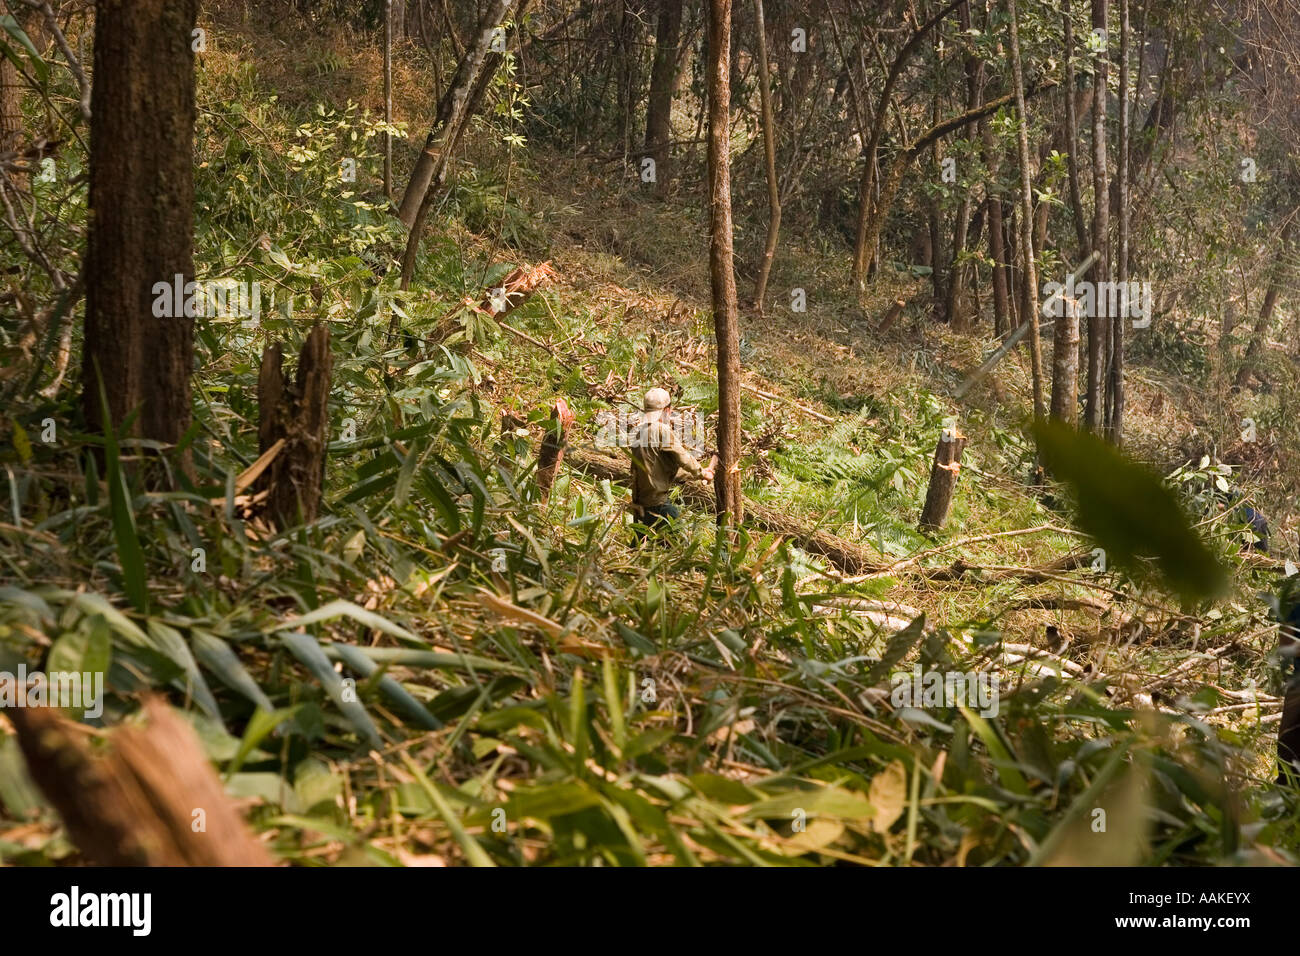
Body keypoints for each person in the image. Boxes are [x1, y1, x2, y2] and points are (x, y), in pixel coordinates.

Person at [627, 387, 714, 535]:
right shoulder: (661, 430)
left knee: (642, 547)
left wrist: (697, 474)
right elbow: (683, 457)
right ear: (667, 410)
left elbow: (660, 467)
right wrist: (702, 473)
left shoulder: (639, 432)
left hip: (640, 503)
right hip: (657, 504)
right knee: (681, 545)